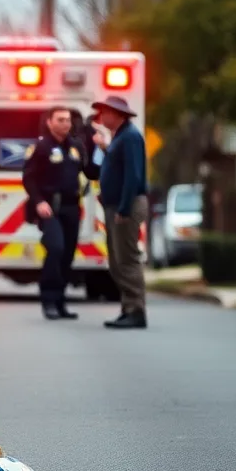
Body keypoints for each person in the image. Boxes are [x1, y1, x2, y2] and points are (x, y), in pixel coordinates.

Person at [22, 106, 94, 320]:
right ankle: (49, 300)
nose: (65, 124)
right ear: (50, 123)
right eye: (60, 120)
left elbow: (89, 172)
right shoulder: (41, 147)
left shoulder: (76, 147)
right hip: (50, 208)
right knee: (55, 248)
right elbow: (29, 178)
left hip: (72, 208)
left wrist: (101, 148)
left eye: (68, 120)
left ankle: (61, 303)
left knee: (67, 256)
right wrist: (39, 202)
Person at [91, 95, 149, 329]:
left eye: (105, 112)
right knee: (116, 262)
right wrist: (106, 149)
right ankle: (127, 309)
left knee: (126, 260)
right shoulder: (120, 137)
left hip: (127, 205)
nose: (102, 117)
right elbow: (117, 167)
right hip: (115, 205)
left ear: (117, 114)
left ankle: (136, 311)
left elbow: (133, 176)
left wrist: (124, 207)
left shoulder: (130, 137)